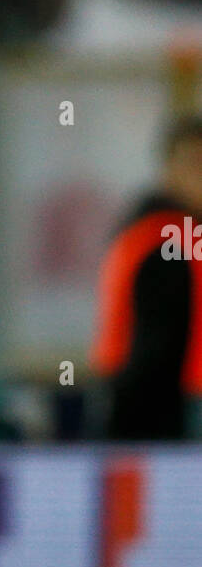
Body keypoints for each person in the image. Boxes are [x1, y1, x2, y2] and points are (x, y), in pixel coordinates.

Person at [91, 114, 202, 439]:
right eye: (195, 165)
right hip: (160, 428)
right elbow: (152, 356)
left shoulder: (149, 230)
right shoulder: (168, 241)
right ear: (170, 170)